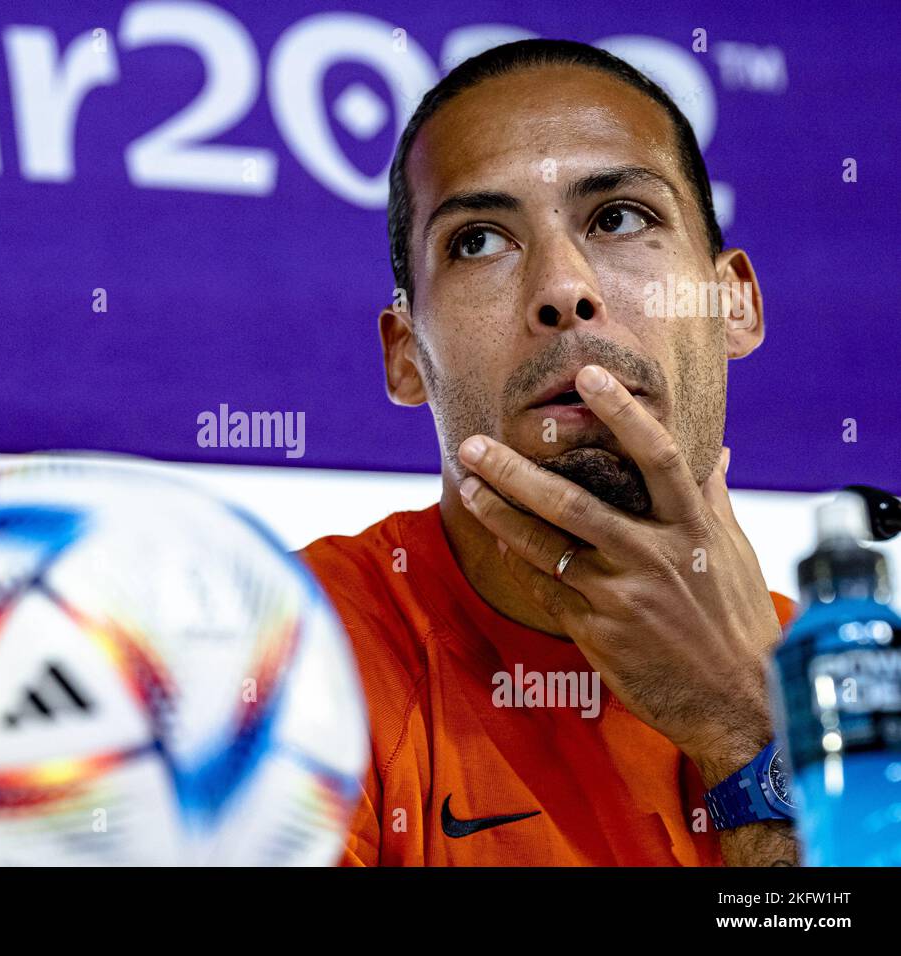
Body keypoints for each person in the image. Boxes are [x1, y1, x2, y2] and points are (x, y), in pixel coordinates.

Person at [299, 39, 798, 866]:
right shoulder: (286, 655)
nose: (564, 290)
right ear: (404, 355)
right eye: (479, 241)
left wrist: (746, 727)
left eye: (620, 218)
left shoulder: (863, 688)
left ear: (733, 303)